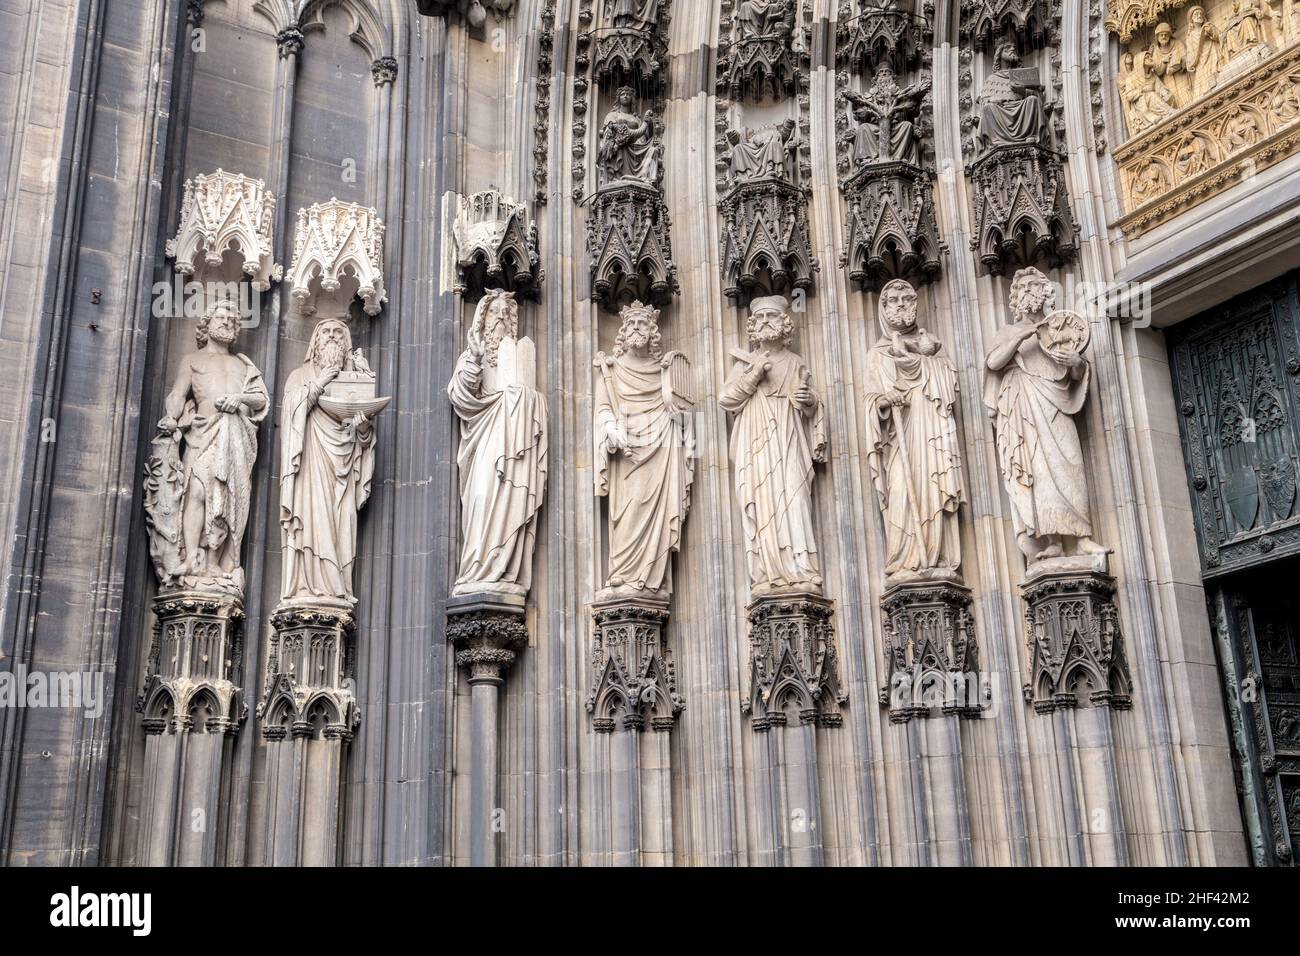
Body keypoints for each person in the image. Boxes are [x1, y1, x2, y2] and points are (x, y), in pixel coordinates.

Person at [144, 300, 268, 594]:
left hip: (235, 437)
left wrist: (240, 400)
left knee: (223, 500)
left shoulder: (243, 365)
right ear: (207, 323)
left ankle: (214, 563)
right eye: (221, 317)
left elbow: (260, 399)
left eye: (233, 320)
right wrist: (172, 417)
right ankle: (189, 559)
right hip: (203, 433)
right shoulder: (193, 360)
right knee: (197, 493)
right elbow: (177, 393)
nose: (227, 322)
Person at [720, 296, 827, 595]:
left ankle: (800, 567)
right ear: (753, 326)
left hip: (789, 437)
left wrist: (809, 402)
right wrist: (754, 375)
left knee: (794, 497)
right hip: (756, 443)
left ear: (785, 324)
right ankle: (767, 571)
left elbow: (812, 405)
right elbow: (726, 400)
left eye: (773, 316)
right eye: (761, 317)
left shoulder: (795, 362)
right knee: (762, 502)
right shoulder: (744, 363)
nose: (766, 321)